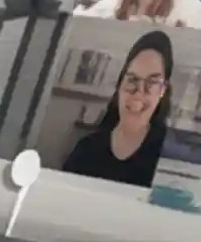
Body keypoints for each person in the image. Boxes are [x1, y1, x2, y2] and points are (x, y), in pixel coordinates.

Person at [62, 30, 173, 187]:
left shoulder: (168, 155)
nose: (139, 92)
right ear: (120, 85)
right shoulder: (86, 148)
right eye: (132, 80)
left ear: (163, 90)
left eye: (152, 83)